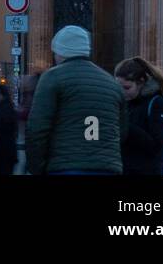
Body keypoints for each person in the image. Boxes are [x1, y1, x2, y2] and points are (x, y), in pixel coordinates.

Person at [22, 25, 126, 174]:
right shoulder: (111, 82)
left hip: (65, 165)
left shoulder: (53, 77)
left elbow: (38, 128)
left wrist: (36, 167)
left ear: (60, 52)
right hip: (107, 167)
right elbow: (121, 130)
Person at [116, 56, 163, 175]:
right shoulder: (125, 103)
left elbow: (156, 145)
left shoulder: (159, 103)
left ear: (141, 82)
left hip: (147, 170)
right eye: (118, 87)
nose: (122, 92)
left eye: (127, 87)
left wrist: (124, 123)